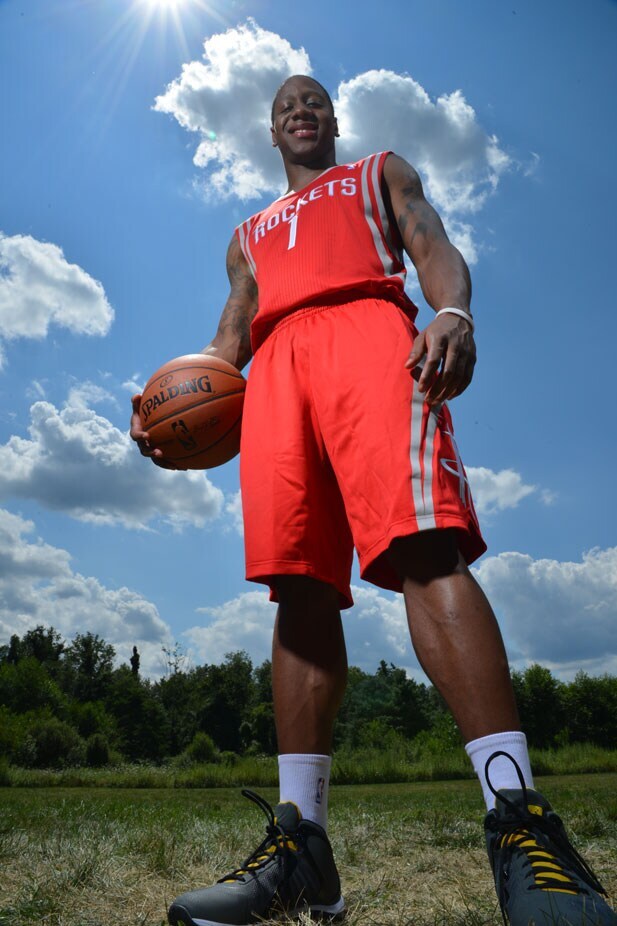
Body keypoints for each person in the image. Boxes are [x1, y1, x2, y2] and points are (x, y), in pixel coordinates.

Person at [131, 75, 616, 926]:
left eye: (312, 99)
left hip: (368, 341)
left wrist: (453, 311)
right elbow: (229, 334)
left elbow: (432, 247)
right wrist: (172, 407)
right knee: (300, 589)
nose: (299, 109)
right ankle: (302, 851)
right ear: (271, 130)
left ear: (330, 119)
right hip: (276, 374)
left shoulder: (378, 174)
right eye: (285, 105)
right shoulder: (246, 235)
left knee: (427, 549)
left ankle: (520, 822)